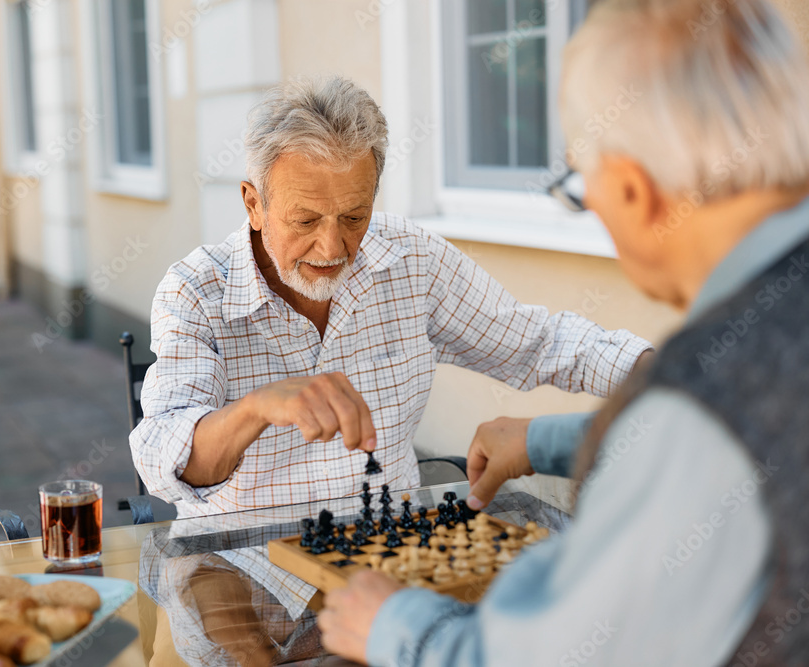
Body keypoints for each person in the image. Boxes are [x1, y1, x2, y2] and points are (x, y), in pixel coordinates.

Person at [318, 0, 809, 665]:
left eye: (580, 186)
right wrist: (547, 439)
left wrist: (393, 625)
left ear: (634, 192)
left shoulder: (704, 406)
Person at [130, 75, 652, 519]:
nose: (333, 247)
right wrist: (258, 408)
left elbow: (541, 342)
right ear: (254, 204)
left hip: (384, 564)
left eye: (354, 217)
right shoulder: (195, 290)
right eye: (306, 220)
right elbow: (163, 460)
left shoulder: (411, 259)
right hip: (245, 575)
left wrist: (681, 373)